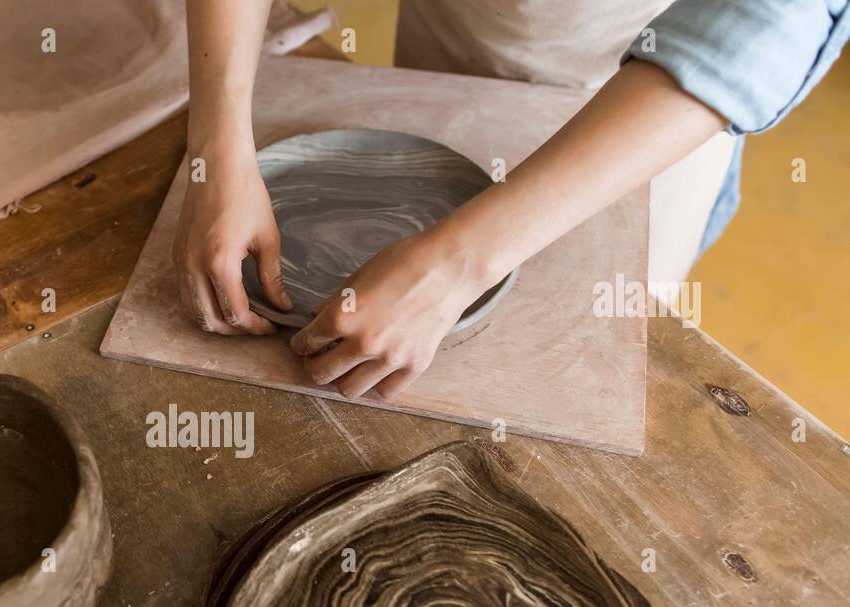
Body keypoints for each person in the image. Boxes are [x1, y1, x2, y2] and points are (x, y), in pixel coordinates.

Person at [173, 0, 849, 400]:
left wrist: (460, 262)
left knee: (558, 384)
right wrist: (217, 142)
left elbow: (767, 20)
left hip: (648, 109)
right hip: (459, 37)